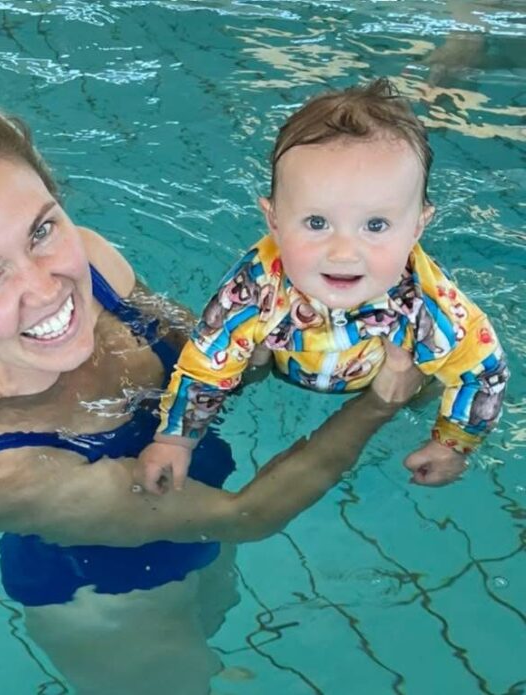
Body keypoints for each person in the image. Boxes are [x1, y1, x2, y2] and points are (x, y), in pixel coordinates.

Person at [0, 33, 422, 695]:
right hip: (115, 609)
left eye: (41, 229)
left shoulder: (93, 263)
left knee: (216, 620)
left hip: (196, 523)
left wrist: (333, 322)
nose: (46, 288)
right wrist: (377, 402)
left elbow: (217, 365)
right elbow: (249, 514)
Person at [139, 78, 509, 495]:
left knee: (424, 387)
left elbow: (483, 372)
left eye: (376, 225)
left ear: (418, 227)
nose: (344, 252)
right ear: (274, 220)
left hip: (378, 381)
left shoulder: (427, 303)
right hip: (282, 370)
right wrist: (174, 440)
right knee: (242, 364)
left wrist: (453, 443)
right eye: (317, 223)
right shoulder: (256, 288)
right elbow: (206, 365)